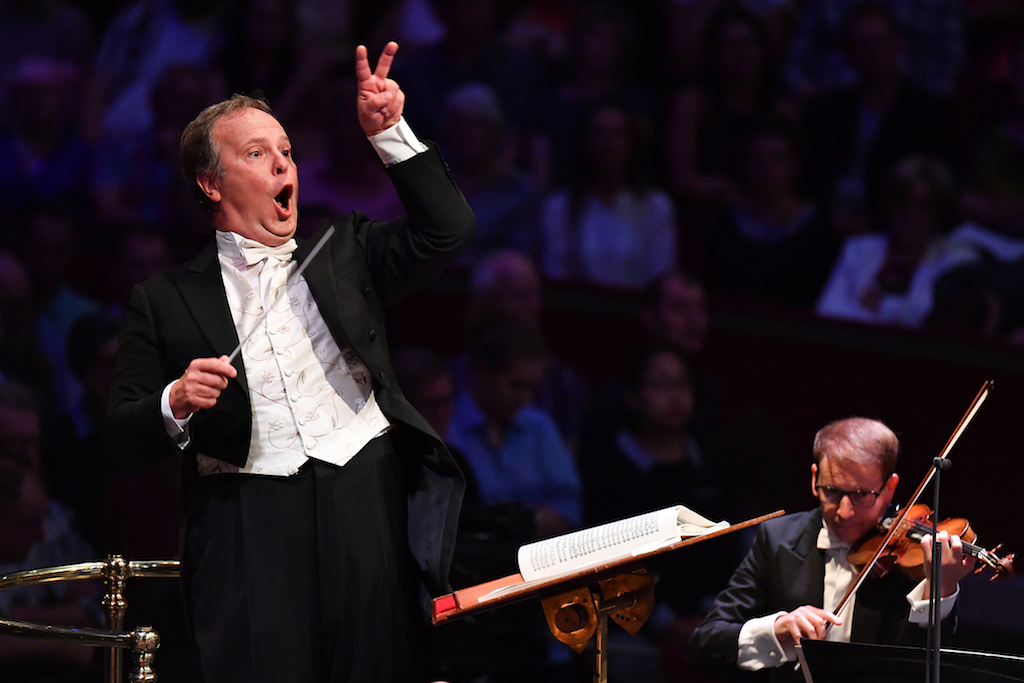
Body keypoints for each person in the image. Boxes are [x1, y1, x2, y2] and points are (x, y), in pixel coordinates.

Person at [104, 42, 476, 683]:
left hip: (363, 497)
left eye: (287, 151)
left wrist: (390, 133)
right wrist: (175, 401)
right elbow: (120, 437)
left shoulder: (344, 251)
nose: (283, 163)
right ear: (211, 183)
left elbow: (449, 228)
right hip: (249, 524)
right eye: (257, 154)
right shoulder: (164, 300)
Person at [687, 417, 976, 682]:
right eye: (832, 491)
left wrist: (939, 589)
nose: (844, 512)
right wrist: (775, 629)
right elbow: (705, 644)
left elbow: (917, 670)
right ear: (815, 479)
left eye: (862, 495)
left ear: (890, 487)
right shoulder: (777, 540)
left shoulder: (915, 560)